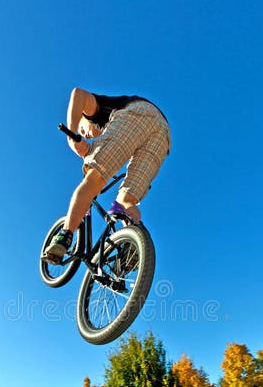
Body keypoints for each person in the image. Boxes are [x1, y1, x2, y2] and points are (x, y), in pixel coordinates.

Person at [43, 88, 171, 262]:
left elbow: (77, 93)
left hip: (137, 112)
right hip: (163, 133)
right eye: (82, 134)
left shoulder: (96, 113)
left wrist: (72, 135)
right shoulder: (110, 128)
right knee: (126, 201)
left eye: (83, 129)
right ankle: (135, 245)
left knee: (94, 179)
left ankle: (64, 235)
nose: (85, 134)